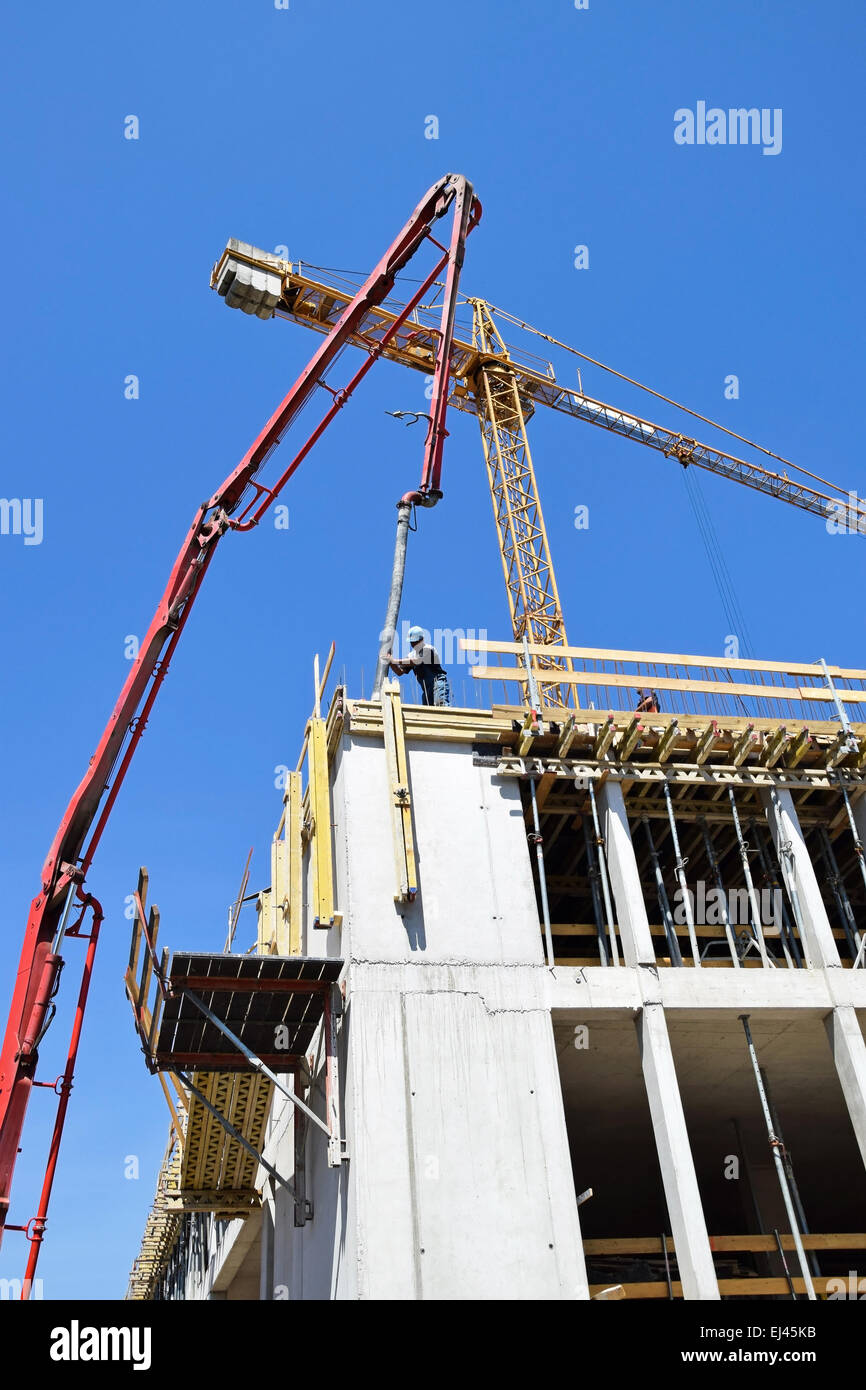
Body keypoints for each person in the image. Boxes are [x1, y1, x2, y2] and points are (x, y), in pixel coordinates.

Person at [389, 626, 451, 706]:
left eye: (415, 641)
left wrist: (394, 661)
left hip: (437, 684)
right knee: (428, 713)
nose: (413, 644)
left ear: (421, 640)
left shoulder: (428, 649)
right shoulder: (411, 655)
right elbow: (399, 672)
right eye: (412, 642)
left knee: (441, 705)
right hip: (426, 690)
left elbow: (417, 661)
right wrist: (391, 663)